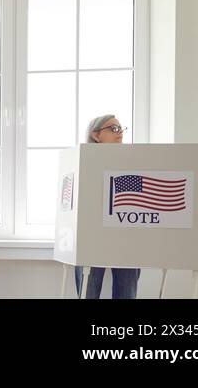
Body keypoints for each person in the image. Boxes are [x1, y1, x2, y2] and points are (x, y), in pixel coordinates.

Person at [76, 114, 140, 299]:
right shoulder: (81, 162)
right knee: (88, 293)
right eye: (113, 128)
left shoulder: (134, 161)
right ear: (96, 135)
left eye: (121, 128)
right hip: (91, 236)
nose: (120, 132)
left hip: (127, 235)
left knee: (127, 294)